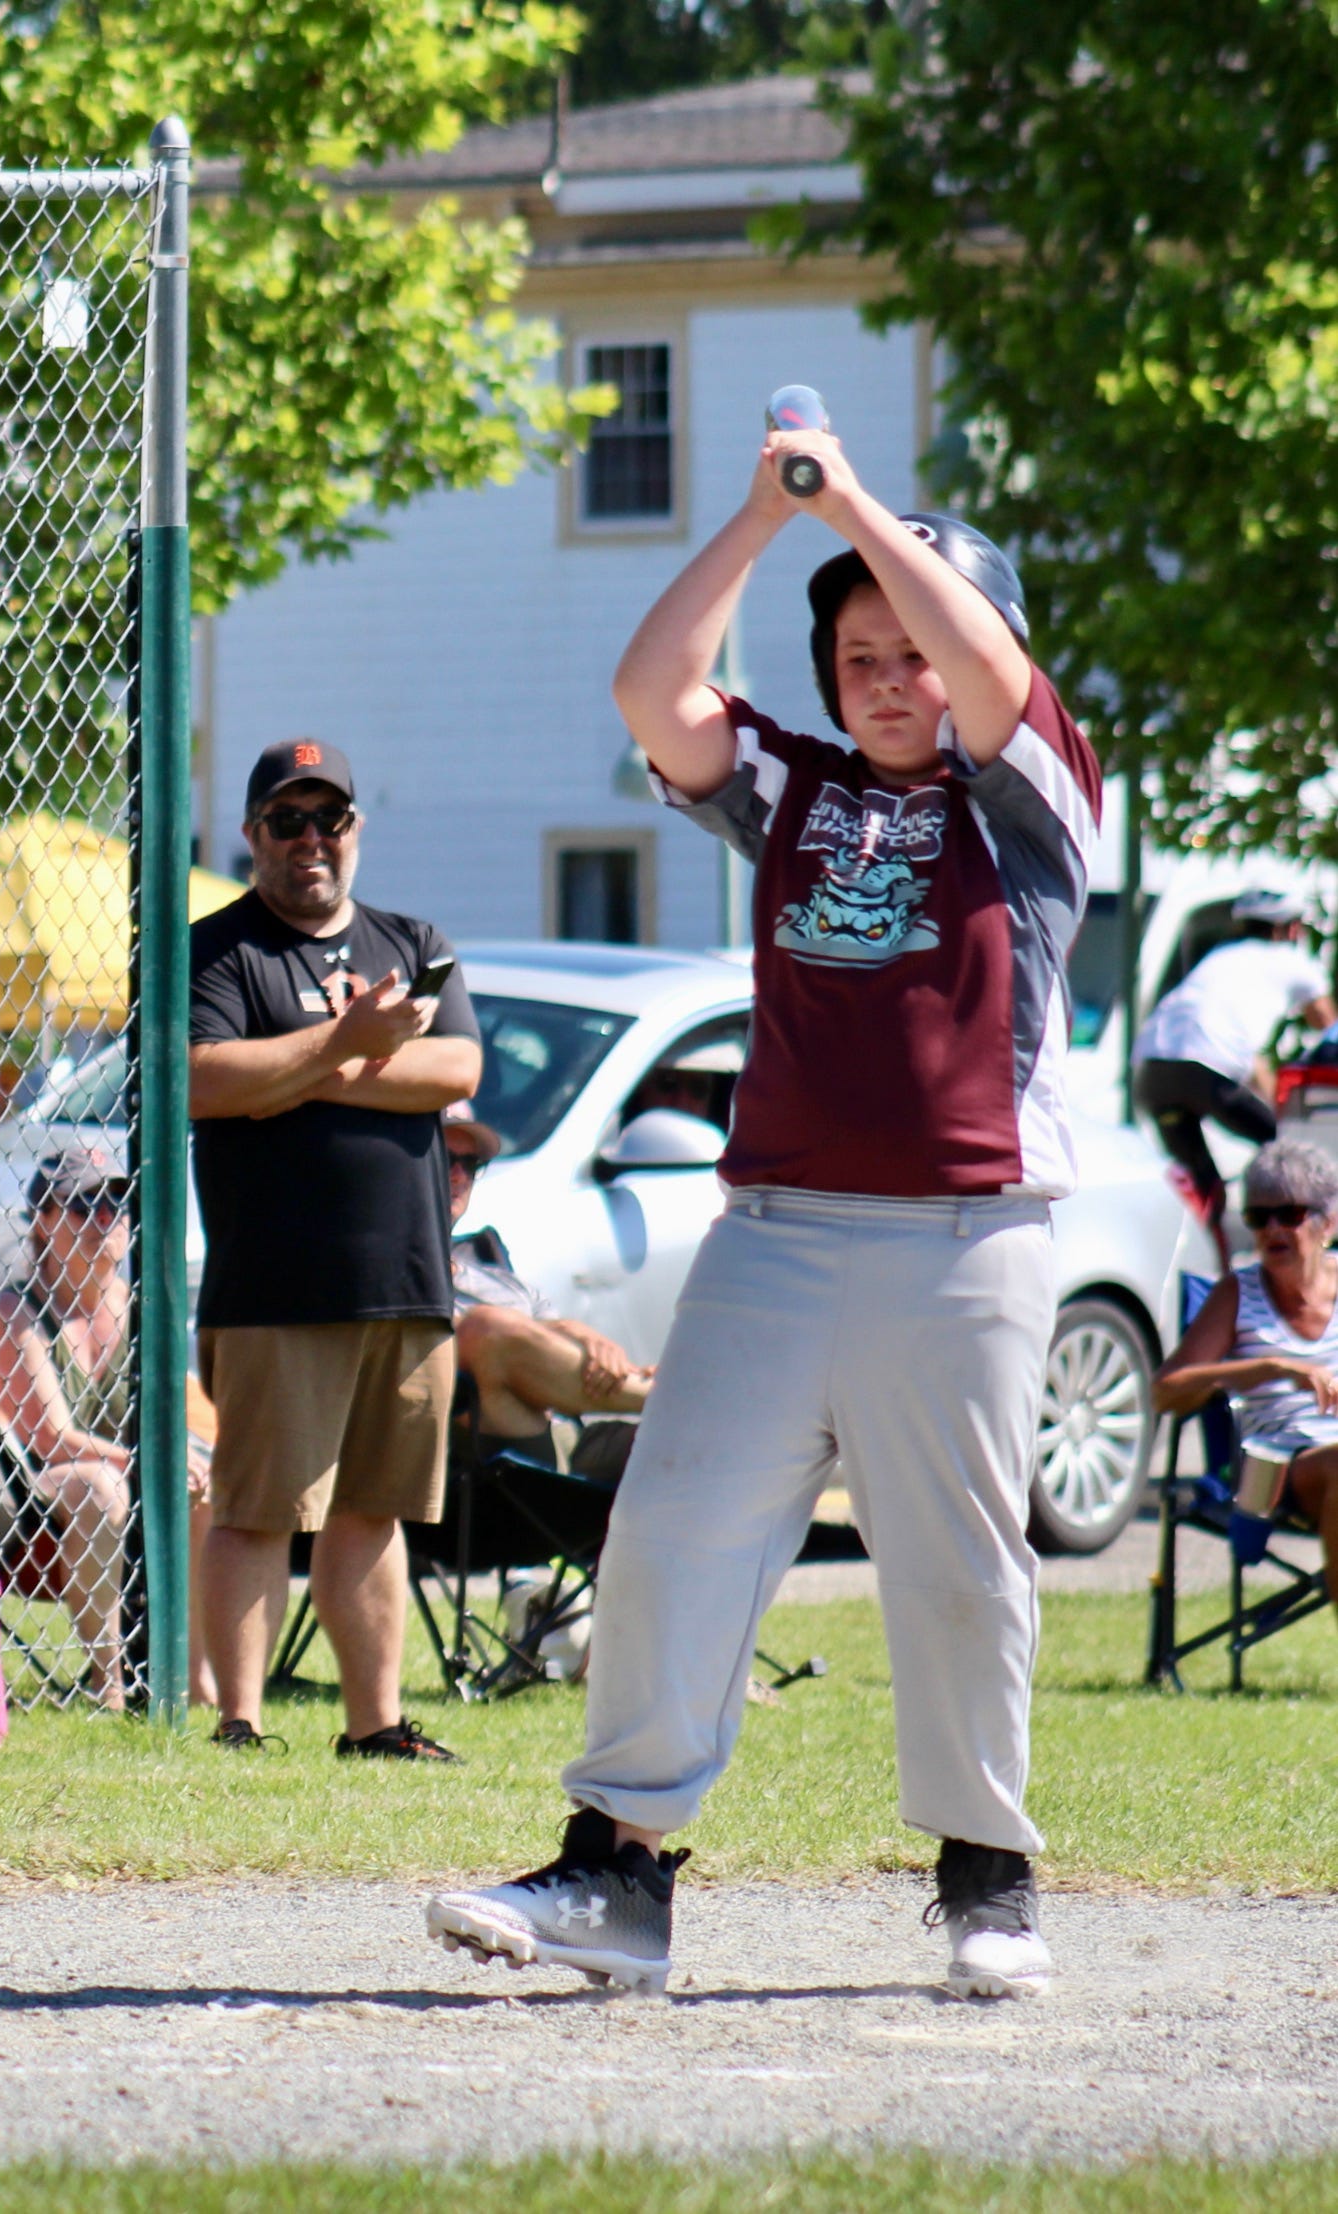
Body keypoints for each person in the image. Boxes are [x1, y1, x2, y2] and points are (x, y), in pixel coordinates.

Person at [426, 424, 1101, 2002]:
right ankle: (615, 1875)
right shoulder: (790, 786)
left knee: (951, 1560)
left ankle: (983, 1881)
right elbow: (649, 695)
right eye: (856, 651)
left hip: (962, 1230)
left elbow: (985, 683)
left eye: (914, 646)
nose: (888, 674)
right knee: (670, 1529)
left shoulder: (1033, 801)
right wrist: (751, 518)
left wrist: (857, 504)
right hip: (776, 1231)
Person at [187, 737, 482, 1761]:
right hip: (273, 1283)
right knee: (257, 1512)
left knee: (375, 1510)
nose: (310, 840)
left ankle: (375, 1727)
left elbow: (454, 1068)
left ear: (356, 830)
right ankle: (240, 1724)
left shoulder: (418, 941)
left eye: (330, 819)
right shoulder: (215, 951)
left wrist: (307, 1070)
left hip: (403, 1280)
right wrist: (350, 1045)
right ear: (250, 834)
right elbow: (209, 1079)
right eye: (286, 821)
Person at [0, 1144, 144, 1711]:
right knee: (97, 1483)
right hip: (28, 1501)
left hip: (123, 1479)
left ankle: (200, 1682)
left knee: (205, 1478)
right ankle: (109, 1679)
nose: (105, 1218)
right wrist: (147, 1466)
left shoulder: (137, 1307)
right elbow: (51, 1441)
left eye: (118, 1200)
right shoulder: (16, 1311)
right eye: (85, 1204)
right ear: (43, 1220)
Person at [1153, 1139, 1338, 1613]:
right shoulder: (1237, 1293)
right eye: (1259, 1218)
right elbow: (1166, 1391)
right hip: (1278, 1473)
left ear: (1328, 1223)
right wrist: (1269, 1368)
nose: (1272, 1229)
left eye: (1289, 1214)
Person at [444, 1104, 653, 1454]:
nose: (459, 1176)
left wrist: (581, 1336)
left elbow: (548, 1340)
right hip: (508, 1452)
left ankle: (675, 1401)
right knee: (485, 1327)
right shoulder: (390, 1270)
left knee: (699, 1446)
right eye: (444, 1159)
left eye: (470, 1164)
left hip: (574, 1437)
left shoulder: (498, 1276)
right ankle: (672, 1397)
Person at [1135, 891, 1334, 1249]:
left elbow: (1248, 1058)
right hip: (1205, 1070)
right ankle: (1305, 1254)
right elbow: (1328, 1026)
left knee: (1203, 1184)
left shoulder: (1218, 958)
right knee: (1291, 1155)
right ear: (1288, 929)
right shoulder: (1293, 959)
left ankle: (1209, 1265)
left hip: (1152, 1073)